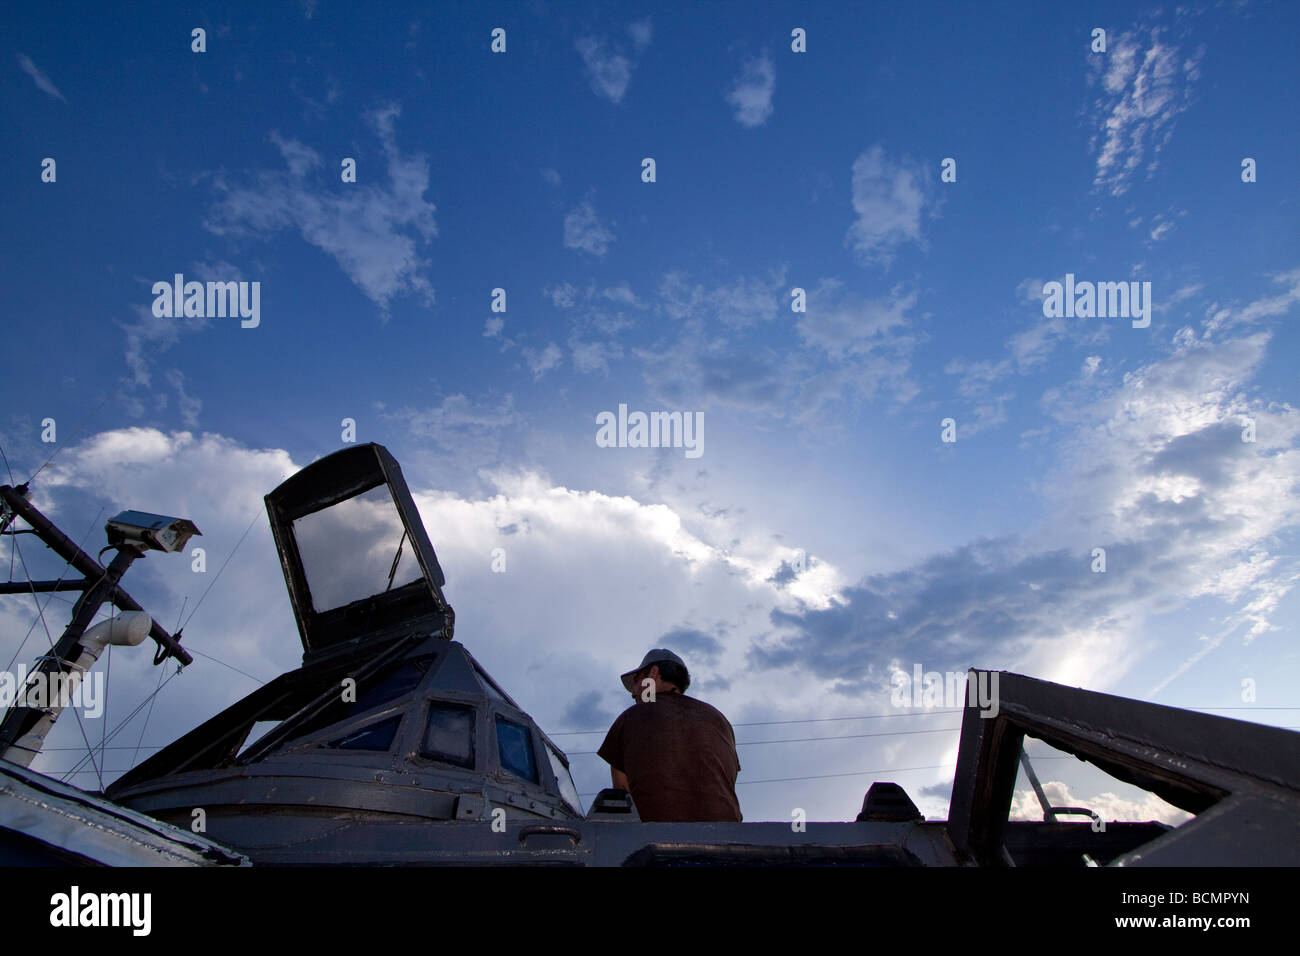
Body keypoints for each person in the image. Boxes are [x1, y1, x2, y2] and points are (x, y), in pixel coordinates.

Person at [596, 649, 742, 822]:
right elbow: (727, 780)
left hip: (656, 838)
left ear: (653, 673)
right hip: (727, 833)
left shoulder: (631, 718)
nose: (634, 693)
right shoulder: (719, 719)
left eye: (637, 681)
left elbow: (622, 796)